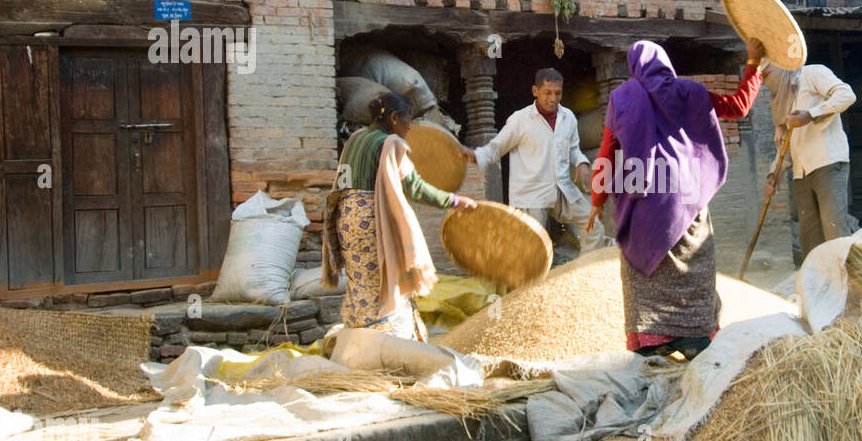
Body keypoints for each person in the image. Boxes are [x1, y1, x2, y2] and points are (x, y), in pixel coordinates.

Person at [585, 38, 765, 359]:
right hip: (687, 200)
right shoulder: (690, 92)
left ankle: (654, 340)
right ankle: (694, 335)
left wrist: (597, 201)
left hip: (644, 205)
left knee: (640, 268)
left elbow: (607, 152)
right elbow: (738, 106)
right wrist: (753, 65)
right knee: (695, 265)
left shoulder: (622, 98)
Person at [321, 92, 476, 340]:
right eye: (408, 119)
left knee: (362, 281)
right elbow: (415, 187)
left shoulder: (355, 139)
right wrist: (454, 200)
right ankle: (390, 338)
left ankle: (359, 333)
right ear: (394, 118)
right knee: (387, 280)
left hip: (347, 219)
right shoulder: (391, 144)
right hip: (373, 220)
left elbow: (344, 180)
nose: (410, 126)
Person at [464, 67, 606, 254]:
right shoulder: (520, 119)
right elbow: (496, 148)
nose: (553, 99)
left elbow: (573, 149)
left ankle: (587, 272)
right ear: (535, 91)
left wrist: (581, 162)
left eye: (558, 93)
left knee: (594, 226)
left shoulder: (568, 117)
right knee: (532, 248)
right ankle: (530, 282)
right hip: (531, 193)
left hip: (561, 189)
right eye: (548, 93)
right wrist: (476, 156)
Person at [762, 61, 857, 258]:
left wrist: (811, 114)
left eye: (766, 74)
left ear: (781, 65)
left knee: (834, 230)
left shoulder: (812, 73)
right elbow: (784, 148)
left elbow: (847, 95)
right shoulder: (779, 101)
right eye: (761, 78)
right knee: (810, 240)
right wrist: (774, 174)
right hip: (801, 174)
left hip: (827, 161)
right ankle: (818, 286)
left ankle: (847, 282)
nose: (765, 81)